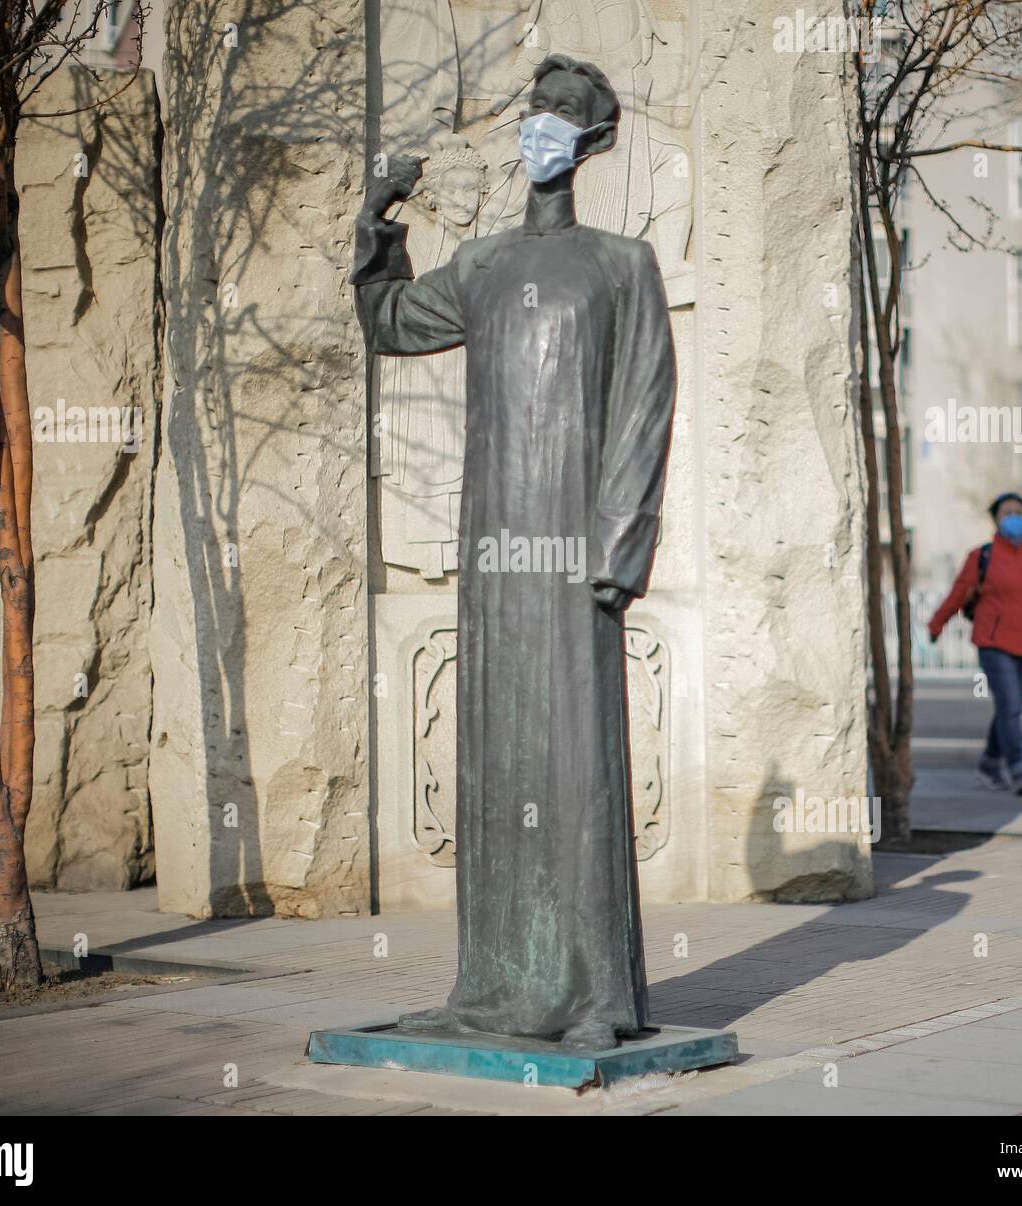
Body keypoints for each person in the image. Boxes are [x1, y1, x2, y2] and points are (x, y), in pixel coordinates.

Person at [351, 55, 676, 1050]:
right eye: (533, 113)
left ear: (588, 140)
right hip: (496, 550)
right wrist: (378, 220)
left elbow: (645, 406)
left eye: (560, 116)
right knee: (494, 760)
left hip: (575, 551)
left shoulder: (623, 265)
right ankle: (494, 986)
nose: (540, 129)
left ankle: (593, 996)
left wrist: (619, 548)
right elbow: (392, 321)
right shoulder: (484, 267)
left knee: (576, 761)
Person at [928, 492, 1022, 795]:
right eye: (1008, 512)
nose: (1015, 517)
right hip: (993, 643)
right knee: (1009, 706)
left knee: (1012, 707)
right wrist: (936, 624)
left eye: (1019, 512)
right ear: (995, 519)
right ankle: (1018, 768)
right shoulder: (981, 557)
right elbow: (958, 594)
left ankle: (988, 766)